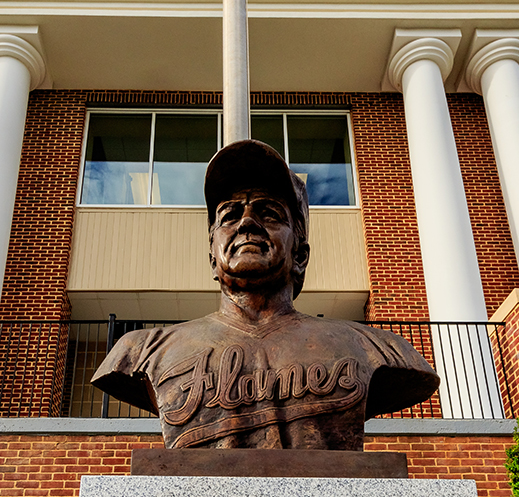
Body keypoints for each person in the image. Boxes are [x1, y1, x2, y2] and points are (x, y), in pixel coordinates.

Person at [91, 140, 439, 449]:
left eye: (269, 213)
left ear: (300, 255)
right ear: (213, 257)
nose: (246, 222)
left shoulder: (374, 350)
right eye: (228, 215)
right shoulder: (142, 353)